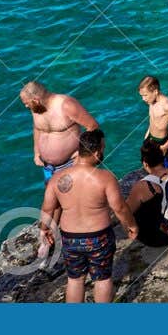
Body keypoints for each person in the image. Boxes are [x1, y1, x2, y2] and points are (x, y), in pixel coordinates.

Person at [40, 129, 137, 302]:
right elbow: (119, 207)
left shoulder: (57, 178)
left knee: (75, 279)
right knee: (102, 278)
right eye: (103, 148)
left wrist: (44, 229)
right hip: (99, 237)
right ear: (97, 151)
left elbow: (48, 208)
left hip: (70, 238)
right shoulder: (105, 177)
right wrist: (131, 225)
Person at [20, 81, 97, 183]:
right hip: (48, 167)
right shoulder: (36, 108)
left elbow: (92, 126)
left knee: (76, 197)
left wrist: (82, 156)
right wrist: (37, 151)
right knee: (54, 197)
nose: (26, 106)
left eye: (26, 103)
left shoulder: (66, 105)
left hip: (71, 164)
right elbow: (37, 127)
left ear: (36, 100)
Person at [126, 142, 168, 248]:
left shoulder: (143, 185)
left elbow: (126, 211)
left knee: (131, 210)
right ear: (162, 158)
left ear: (145, 163)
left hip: (158, 239)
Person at [138, 76, 168, 176]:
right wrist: (146, 137)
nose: (143, 99)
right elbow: (152, 120)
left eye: (145, 95)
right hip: (150, 138)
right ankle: (157, 180)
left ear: (155, 91)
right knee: (146, 162)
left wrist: (166, 146)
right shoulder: (151, 102)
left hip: (163, 142)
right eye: (142, 96)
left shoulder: (166, 105)